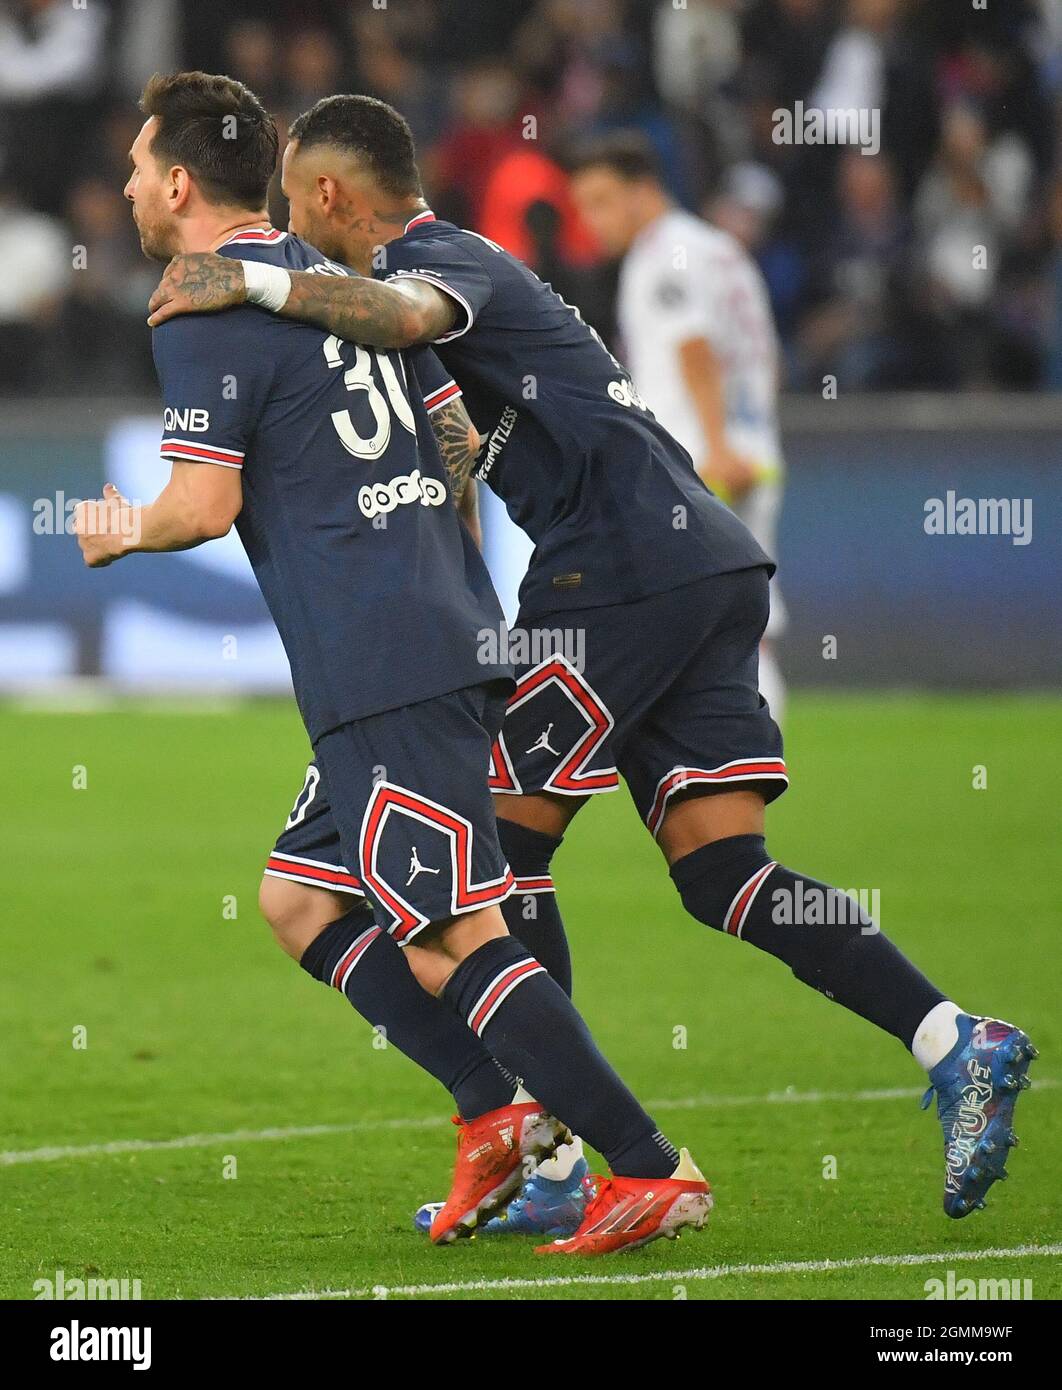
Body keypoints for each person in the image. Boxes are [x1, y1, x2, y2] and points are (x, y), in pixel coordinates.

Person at [146, 92, 1037, 1232]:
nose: (287, 236)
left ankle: (564, 1149)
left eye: (297, 217)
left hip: (619, 575)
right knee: (723, 873)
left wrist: (258, 282)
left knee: (497, 844)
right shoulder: (457, 306)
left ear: (328, 197)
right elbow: (463, 433)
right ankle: (955, 1037)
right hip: (703, 562)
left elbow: (406, 314)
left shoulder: (436, 258)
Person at [75, 71, 711, 1256]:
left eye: (134, 166)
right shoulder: (348, 289)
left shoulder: (205, 303)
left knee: (448, 934)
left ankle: (646, 1164)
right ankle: (494, 1112)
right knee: (299, 896)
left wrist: (122, 529)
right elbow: (456, 451)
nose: (123, 187)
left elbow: (206, 506)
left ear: (175, 183)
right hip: (439, 629)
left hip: (382, 662)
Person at [569, 134, 788, 719]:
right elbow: (766, 354)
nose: (592, 220)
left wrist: (716, 447)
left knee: (709, 624)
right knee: (737, 617)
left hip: (702, 463)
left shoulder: (663, 257)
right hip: (751, 449)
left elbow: (694, 348)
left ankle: (747, 764)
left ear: (643, 192)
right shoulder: (719, 248)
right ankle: (730, 764)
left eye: (601, 200)